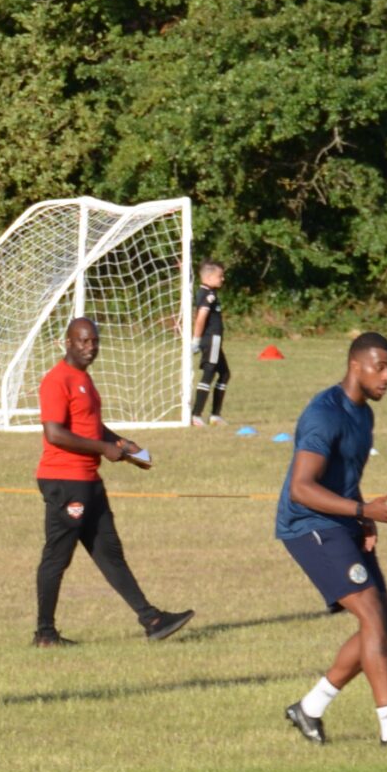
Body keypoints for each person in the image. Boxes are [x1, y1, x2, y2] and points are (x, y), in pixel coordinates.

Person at [277, 332, 387, 746]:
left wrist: (363, 517)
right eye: (380, 367)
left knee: (385, 621)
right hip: (308, 525)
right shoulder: (324, 414)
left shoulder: (364, 414)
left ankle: (310, 708)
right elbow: (302, 487)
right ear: (355, 366)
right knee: (372, 618)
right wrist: (360, 511)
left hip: (343, 520)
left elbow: (344, 478)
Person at [33, 317, 194, 648]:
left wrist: (122, 444)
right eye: (82, 341)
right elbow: (55, 433)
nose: (90, 347)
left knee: (109, 553)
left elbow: (90, 427)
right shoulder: (57, 380)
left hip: (88, 480)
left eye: (94, 341)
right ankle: (45, 634)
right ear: (67, 342)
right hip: (65, 481)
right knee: (56, 557)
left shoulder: (84, 380)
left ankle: (152, 619)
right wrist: (104, 449)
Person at [189, 261, 229, 426]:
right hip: (211, 339)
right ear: (210, 277)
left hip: (216, 339)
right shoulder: (208, 295)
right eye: (220, 276)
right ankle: (196, 415)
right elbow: (201, 317)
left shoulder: (209, 292)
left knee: (225, 374)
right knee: (209, 373)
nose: (223, 279)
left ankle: (215, 415)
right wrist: (196, 340)